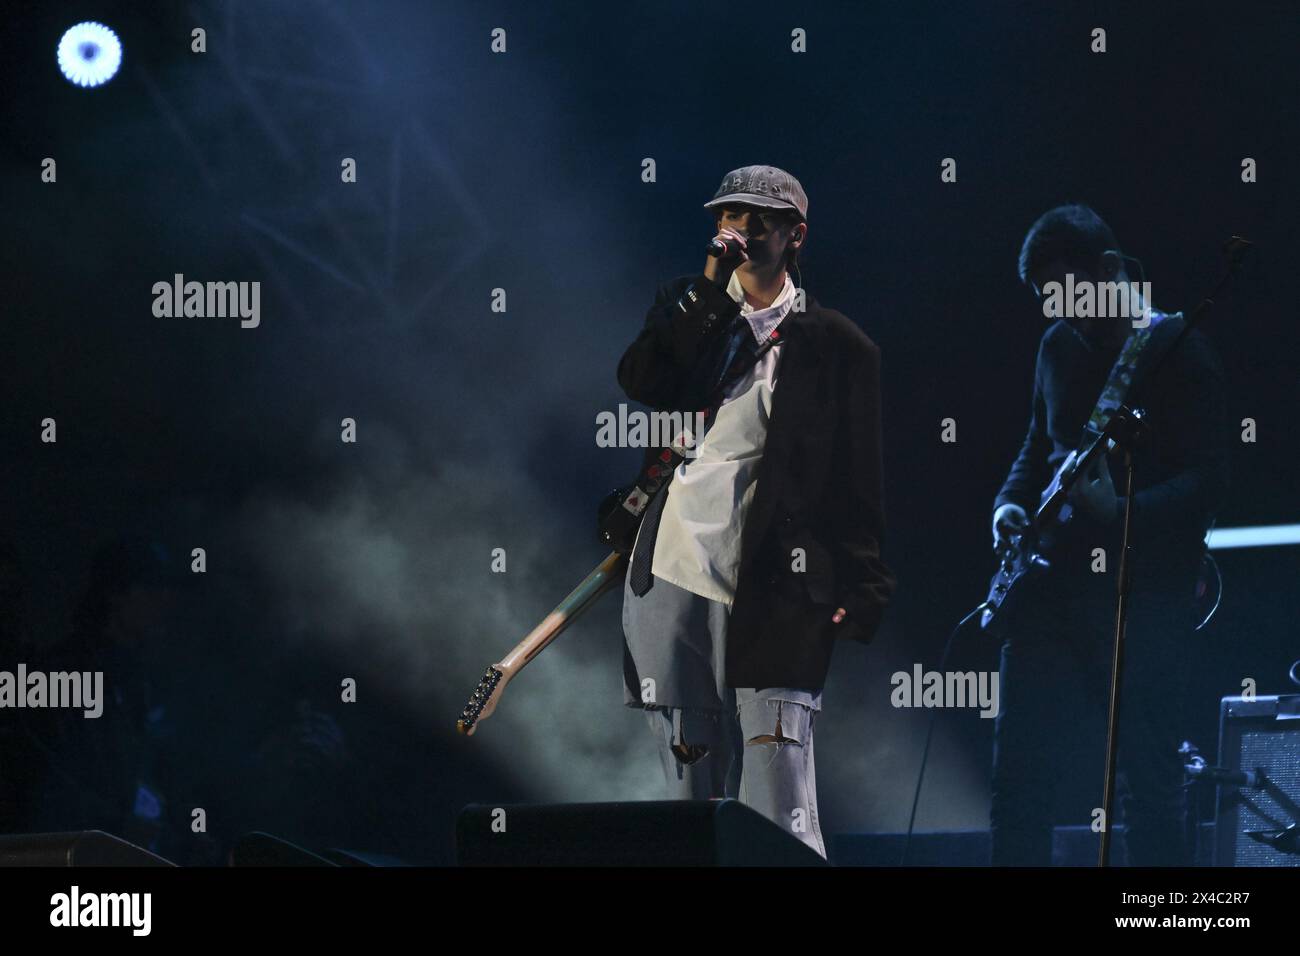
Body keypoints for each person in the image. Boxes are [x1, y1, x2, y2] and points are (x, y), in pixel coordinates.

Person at [616, 165, 895, 858]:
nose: (739, 228)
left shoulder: (838, 345)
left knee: (779, 802)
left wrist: (863, 586)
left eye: (758, 218)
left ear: (794, 234)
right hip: (677, 569)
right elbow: (645, 382)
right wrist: (709, 289)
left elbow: (858, 479)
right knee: (688, 803)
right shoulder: (689, 309)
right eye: (729, 215)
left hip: (779, 586)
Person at [989, 203, 1229, 866]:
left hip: (1138, 600)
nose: (1060, 313)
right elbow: (1038, 446)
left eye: (1066, 293)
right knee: (1019, 784)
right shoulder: (1058, 347)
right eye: (1047, 301)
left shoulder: (1180, 350)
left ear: (1111, 269)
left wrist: (1121, 511)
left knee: (1149, 786)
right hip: (1047, 595)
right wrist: (1007, 507)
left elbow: (1209, 482)